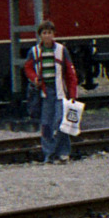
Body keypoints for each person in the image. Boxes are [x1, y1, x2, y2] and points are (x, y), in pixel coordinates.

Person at [22, 19, 79, 163]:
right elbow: (28, 67)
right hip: (45, 92)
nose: (47, 36)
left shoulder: (61, 50)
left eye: (49, 33)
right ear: (40, 35)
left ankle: (62, 151)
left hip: (61, 91)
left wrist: (72, 94)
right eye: (44, 33)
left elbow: (70, 73)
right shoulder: (34, 51)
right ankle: (50, 153)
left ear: (54, 34)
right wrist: (35, 78)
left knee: (61, 121)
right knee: (46, 123)